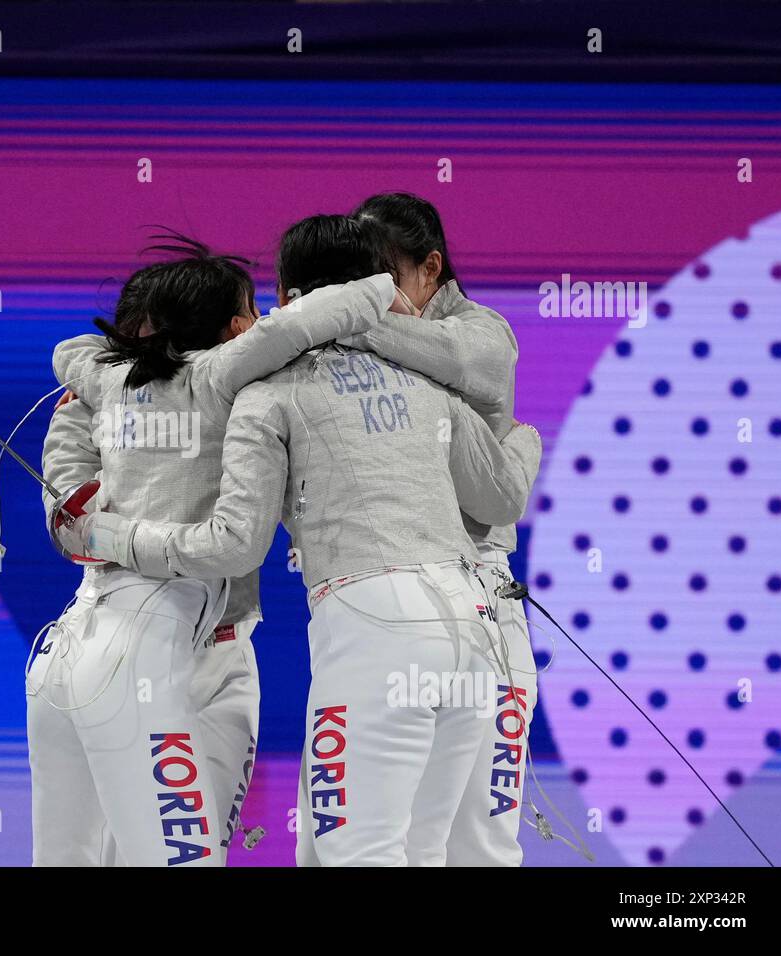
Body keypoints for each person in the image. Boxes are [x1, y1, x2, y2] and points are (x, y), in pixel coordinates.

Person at [62, 214, 542, 866]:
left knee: (360, 854)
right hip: (474, 629)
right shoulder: (430, 379)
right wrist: (525, 440)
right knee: (426, 853)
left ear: (285, 299)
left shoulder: (268, 394)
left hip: (375, 628)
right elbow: (500, 501)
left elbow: (235, 545)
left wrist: (108, 531)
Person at [30, 228, 401, 866]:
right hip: (143, 651)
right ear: (233, 329)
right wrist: (384, 286)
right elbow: (308, 321)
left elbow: (71, 352)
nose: (264, 320)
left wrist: (121, 353)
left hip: (114, 646)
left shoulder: (104, 381)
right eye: (252, 313)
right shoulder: (221, 374)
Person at [342, 192, 537, 866]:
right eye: (357, 283)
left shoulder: (483, 333)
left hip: (484, 606)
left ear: (431, 267)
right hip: (396, 607)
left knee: (477, 840)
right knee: (381, 838)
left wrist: (327, 320)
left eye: (384, 279)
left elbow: (455, 360)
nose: (370, 298)